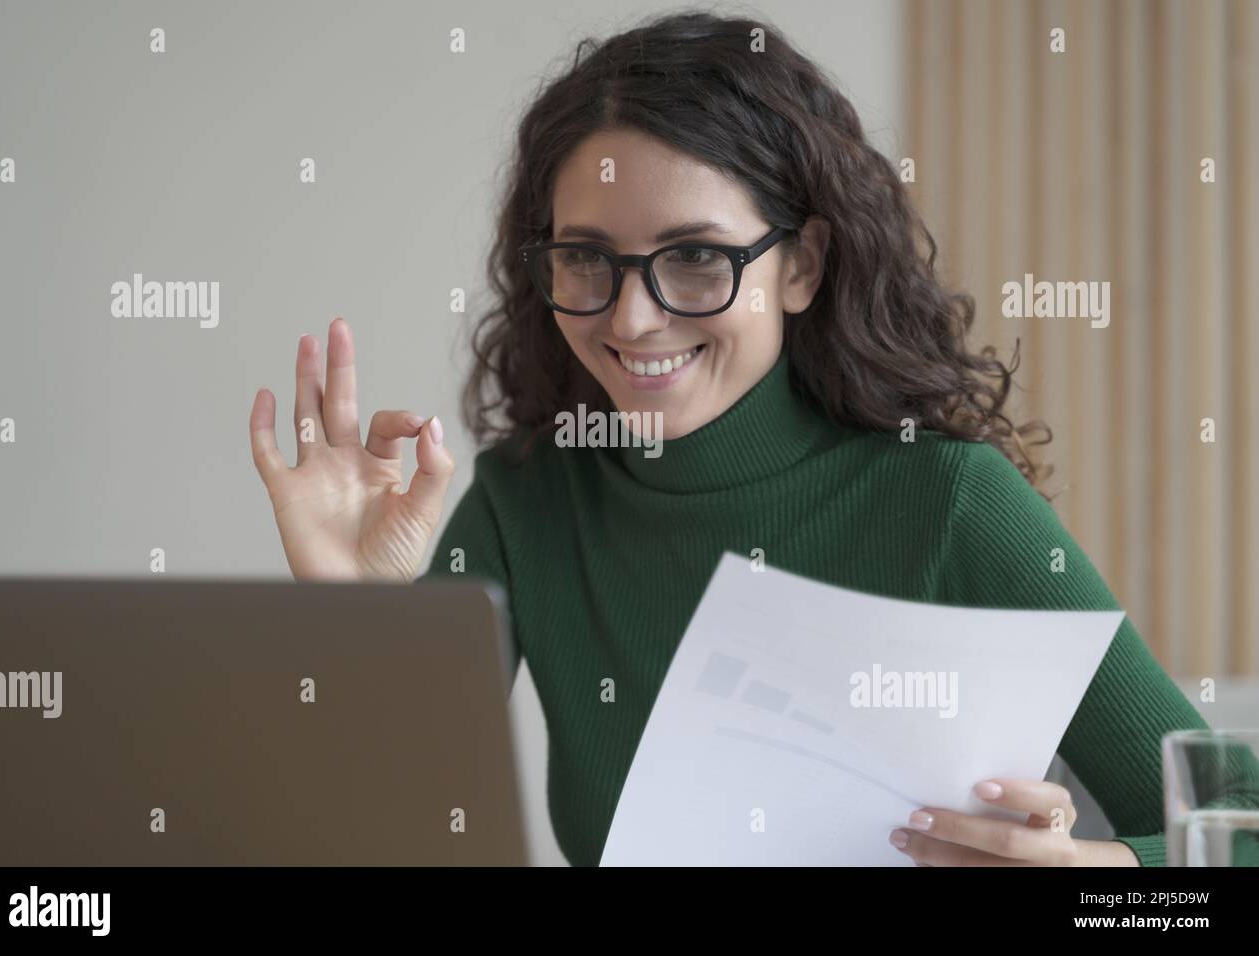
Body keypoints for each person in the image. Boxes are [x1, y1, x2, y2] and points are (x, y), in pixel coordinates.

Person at [248, 10, 1207, 866]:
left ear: (802, 265)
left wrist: (1107, 881)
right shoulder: (525, 501)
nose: (630, 320)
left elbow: (1235, 820)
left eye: (697, 258)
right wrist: (354, 619)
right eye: (588, 259)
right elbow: (362, 836)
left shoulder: (950, 499)